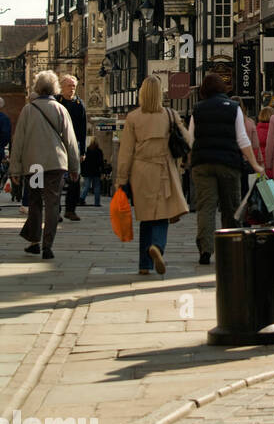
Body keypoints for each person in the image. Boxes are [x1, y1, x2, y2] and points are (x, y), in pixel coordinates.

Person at [116, 78, 190, 276]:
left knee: (146, 217)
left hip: (141, 171)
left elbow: (126, 152)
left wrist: (121, 179)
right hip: (164, 169)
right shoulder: (170, 115)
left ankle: (144, 265)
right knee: (162, 214)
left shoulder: (133, 118)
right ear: (160, 94)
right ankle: (157, 246)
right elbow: (188, 140)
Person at [188, 73, 262, 265]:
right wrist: (254, 163)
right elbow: (242, 139)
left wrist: (193, 158)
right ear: (223, 89)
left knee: (206, 207)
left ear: (204, 90)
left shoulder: (198, 109)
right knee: (231, 207)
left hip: (202, 164)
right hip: (228, 163)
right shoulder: (233, 108)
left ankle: (205, 249)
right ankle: (231, 247)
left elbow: (191, 139)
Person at [9, 70, 80, 260]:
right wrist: (75, 168)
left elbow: (18, 142)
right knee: (52, 203)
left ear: (37, 88)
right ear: (55, 88)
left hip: (35, 166)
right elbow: (70, 141)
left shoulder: (28, 110)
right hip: (56, 165)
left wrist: (14, 168)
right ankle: (48, 245)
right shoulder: (60, 109)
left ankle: (34, 242)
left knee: (35, 201)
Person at [56, 74, 87, 222]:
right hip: (57, 145)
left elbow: (82, 129)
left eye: (74, 86)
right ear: (61, 87)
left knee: (75, 179)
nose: (72, 88)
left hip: (73, 146)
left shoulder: (79, 104)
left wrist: (83, 151)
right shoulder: (56, 102)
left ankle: (70, 209)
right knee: (57, 180)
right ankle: (56, 211)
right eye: (69, 85)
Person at [233, 99, 262, 199]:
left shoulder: (227, 123)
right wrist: (258, 161)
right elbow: (255, 144)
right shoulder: (250, 122)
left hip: (231, 160)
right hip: (247, 161)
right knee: (246, 190)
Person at [79, 138, 105, 207]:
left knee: (86, 186)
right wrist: (103, 171)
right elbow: (101, 162)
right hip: (96, 171)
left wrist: (82, 170)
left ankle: (81, 199)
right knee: (97, 187)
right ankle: (97, 202)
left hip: (88, 171)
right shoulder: (99, 151)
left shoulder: (87, 151)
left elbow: (84, 162)